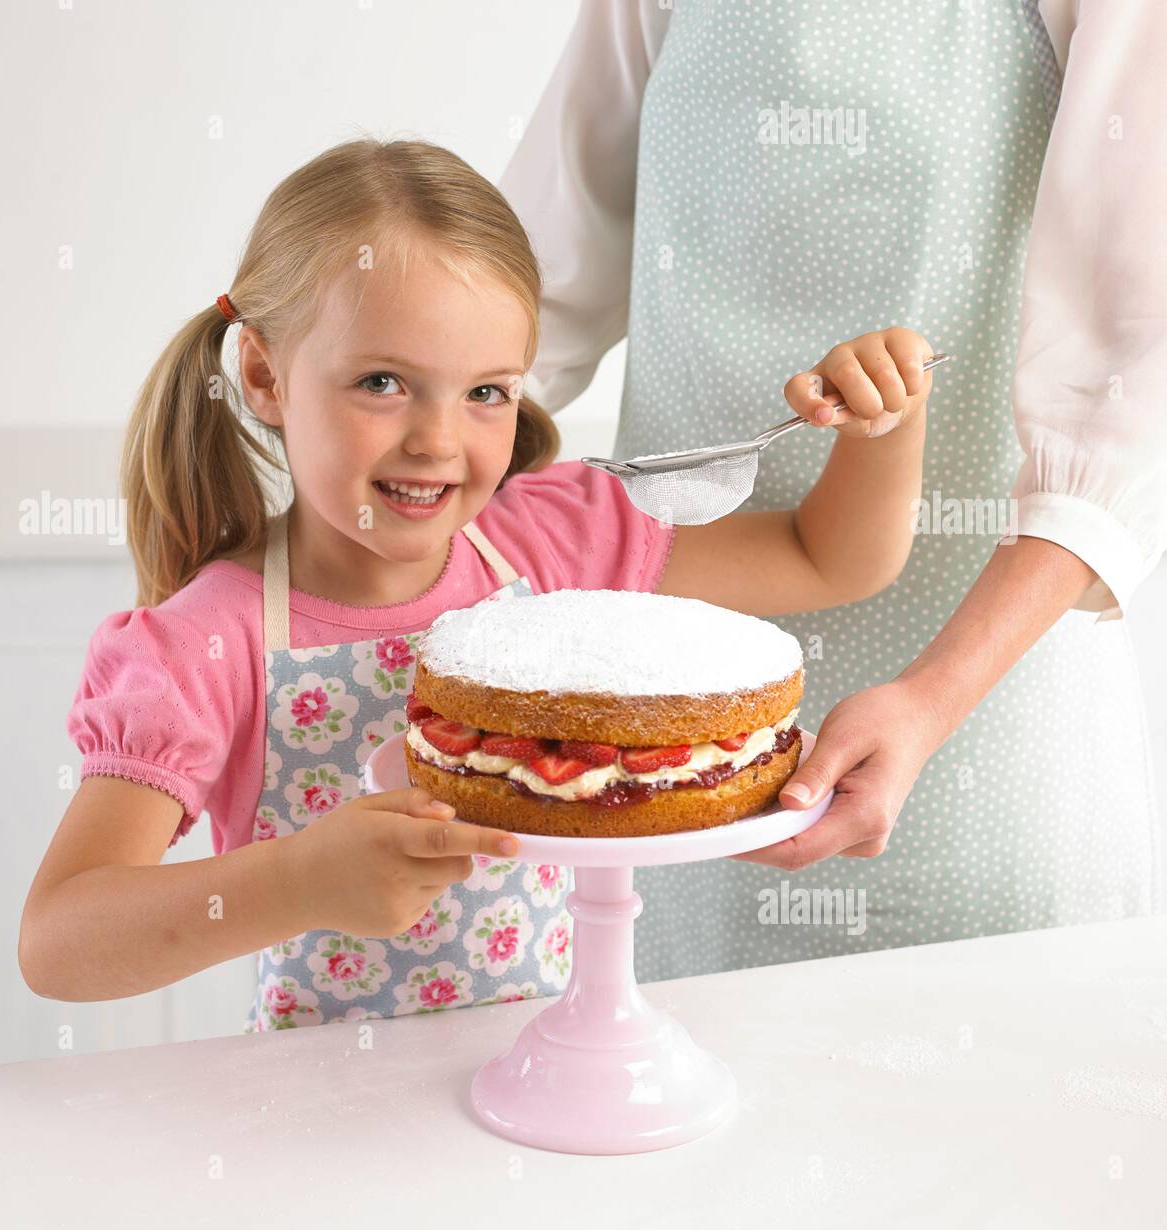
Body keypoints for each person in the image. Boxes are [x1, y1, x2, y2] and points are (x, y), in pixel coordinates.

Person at [18, 137, 935, 1027]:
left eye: (486, 391)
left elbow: (835, 557)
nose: (438, 440)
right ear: (264, 375)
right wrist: (295, 882)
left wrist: (886, 420)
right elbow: (58, 942)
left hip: (556, 1079)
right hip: (317, 1128)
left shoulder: (555, 544)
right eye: (382, 381)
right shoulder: (210, 640)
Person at [499, 0, 1165, 980]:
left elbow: (1125, 388)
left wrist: (929, 702)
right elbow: (526, 305)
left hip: (989, 726)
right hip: (681, 721)